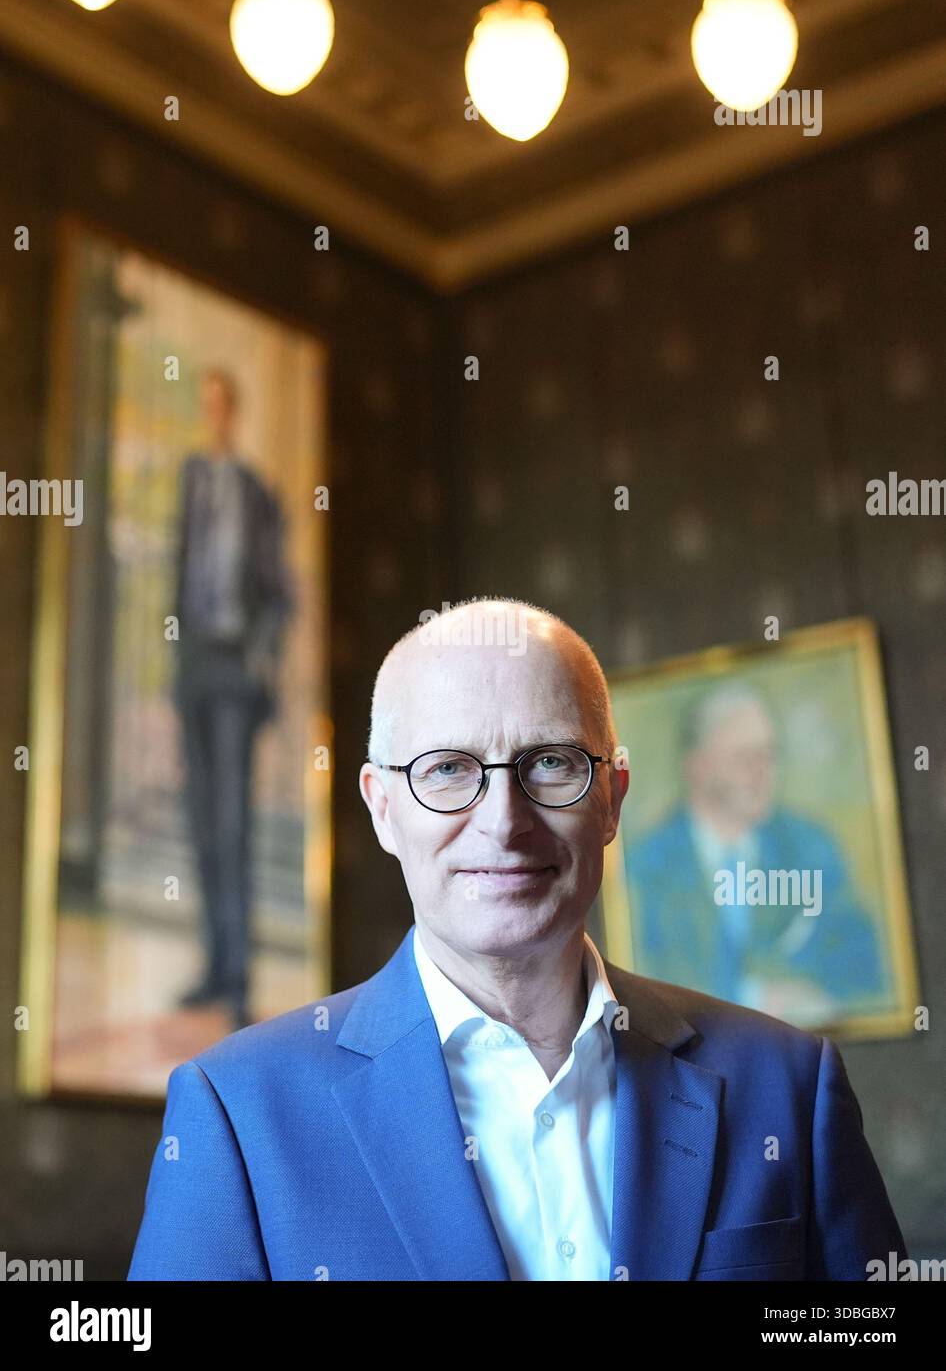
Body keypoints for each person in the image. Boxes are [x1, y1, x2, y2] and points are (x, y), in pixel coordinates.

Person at [129, 597, 906, 1280]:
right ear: (381, 809)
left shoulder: (787, 1087)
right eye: (446, 770)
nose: (504, 821)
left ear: (612, 801)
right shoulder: (238, 1111)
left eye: (550, 763)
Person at [627, 681, 887, 1023]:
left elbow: (864, 963)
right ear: (698, 767)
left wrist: (814, 997)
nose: (762, 773)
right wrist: (746, 998)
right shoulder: (647, 863)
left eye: (768, 754)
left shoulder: (811, 848)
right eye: (744, 758)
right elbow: (642, 980)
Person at [172, 367, 294, 1031]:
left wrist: (258, 657)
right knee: (199, 822)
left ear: (234, 412)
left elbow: (280, 596)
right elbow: (176, 570)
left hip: (234, 675)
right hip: (193, 666)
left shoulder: (257, 494)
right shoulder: (191, 481)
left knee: (232, 825)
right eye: (206, 406)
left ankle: (240, 979)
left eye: (222, 405)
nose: (213, 415)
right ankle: (214, 968)